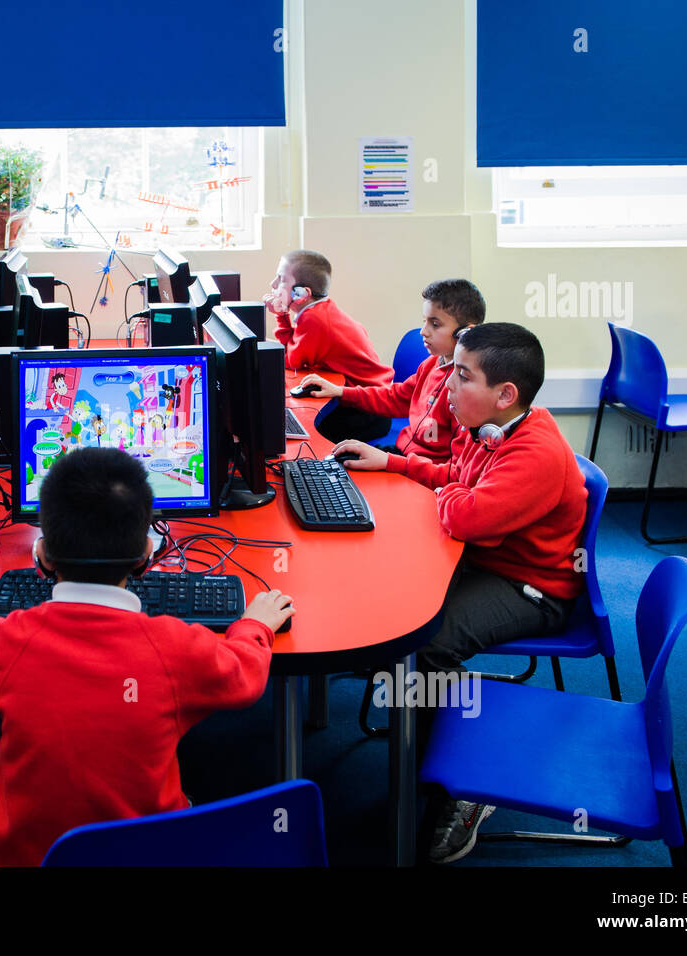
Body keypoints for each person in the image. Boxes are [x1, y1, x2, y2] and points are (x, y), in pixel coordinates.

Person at [0, 447, 295, 866]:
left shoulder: (7, 640)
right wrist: (254, 625)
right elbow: (245, 676)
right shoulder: (174, 646)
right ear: (146, 556)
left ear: (41, 557)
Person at [333, 322, 586, 864]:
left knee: (428, 639)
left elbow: (471, 516)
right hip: (486, 560)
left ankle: (462, 783)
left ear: (505, 393)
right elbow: (458, 479)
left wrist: (450, 494)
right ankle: (430, 741)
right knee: (390, 589)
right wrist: (396, 464)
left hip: (531, 588)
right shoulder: (488, 427)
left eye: (462, 375)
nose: (447, 383)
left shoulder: (534, 451)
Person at [296, 279, 486, 461]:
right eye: (425, 321)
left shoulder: (464, 390)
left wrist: (389, 462)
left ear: (465, 333)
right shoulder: (431, 364)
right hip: (402, 454)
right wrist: (340, 392)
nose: (424, 331)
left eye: (435, 324)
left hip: (421, 470)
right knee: (330, 463)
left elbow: (454, 469)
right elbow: (397, 397)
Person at [264, 249, 394, 443]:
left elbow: (289, 360)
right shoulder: (318, 311)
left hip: (367, 411)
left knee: (299, 437)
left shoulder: (315, 320)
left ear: (301, 293)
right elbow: (294, 349)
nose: (273, 284)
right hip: (364, 402)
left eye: (281, 279)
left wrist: (281, 316)